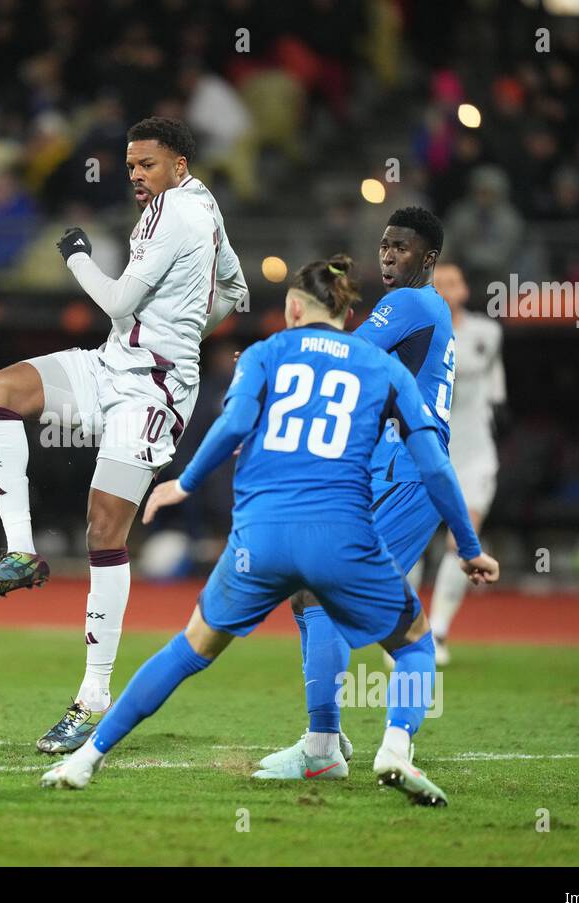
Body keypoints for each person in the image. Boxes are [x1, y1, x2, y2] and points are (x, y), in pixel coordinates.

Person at [39, 256, 499, 804]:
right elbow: (434, 464)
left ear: (294, 307)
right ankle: (393, 748)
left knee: (189, 650)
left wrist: (183, 485)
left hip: (260, 538)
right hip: (340, 535)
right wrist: (468, 548)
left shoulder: (265, 353)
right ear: (348, 311)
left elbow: (232, 425)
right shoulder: (383, 368)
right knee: (417, 647)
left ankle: (86, 760)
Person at [0, 117, 248, 753]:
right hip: (108, 367)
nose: (134, 176)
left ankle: (93, 695)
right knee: (0, 391)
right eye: (129, 167)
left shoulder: (172, 212)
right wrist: (187, 332)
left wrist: (74, 257)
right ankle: (21, 551)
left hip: (150, 395)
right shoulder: (205, 205)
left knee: (105, 526)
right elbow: (236, 287)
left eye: (146, 165)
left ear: (179, 165)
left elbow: (119, 301)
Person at [259, 206, 457, 778]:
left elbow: (344, 358)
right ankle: (358, 742)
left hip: (404, 473)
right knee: (319, 594)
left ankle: (328, 748)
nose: (389, 254)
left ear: (429, 258)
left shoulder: (408, 303)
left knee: (322, 590)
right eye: (384, 245)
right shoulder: (430, 311)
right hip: (402, 472)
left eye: (403, 246)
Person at [423, 263, 506, 664]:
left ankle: (437, 631)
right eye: (436, 284)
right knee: (410, 545)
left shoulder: (486, 333)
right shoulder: (416, 330)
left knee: (461, 541)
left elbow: (461, 368)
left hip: (473, 457)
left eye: (451, 282)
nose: (444, 289)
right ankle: (408, 630)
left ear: (465, 289)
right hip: (427, 453)